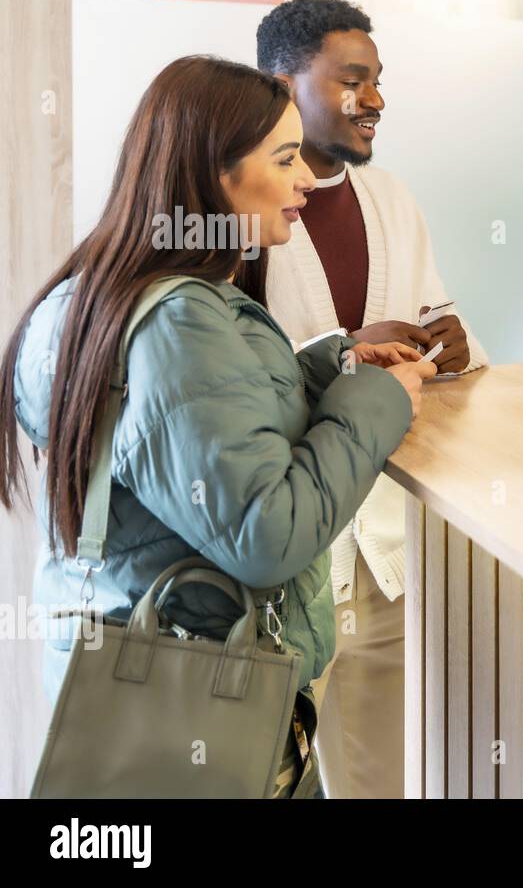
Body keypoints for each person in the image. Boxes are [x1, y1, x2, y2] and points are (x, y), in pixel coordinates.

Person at [0, 55, 438, 796]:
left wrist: (332, 364)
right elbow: (264, 531)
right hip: (210, 698)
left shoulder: (94, 296)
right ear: (216, 170)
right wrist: (379, 400)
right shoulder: (181, 319)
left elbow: (191, 432)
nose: (306, 180)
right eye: (286, 158)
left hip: (125, 683)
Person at [255, 0, 488, 798]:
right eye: (353, 80)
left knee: (377, 776)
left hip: (384, 545)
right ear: (282, 83)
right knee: (263, 771)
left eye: (380, 80)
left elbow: (431, 326)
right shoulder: (234, 216)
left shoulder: (389, 198)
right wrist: (347, 355)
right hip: (282, 558)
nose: (376, 100)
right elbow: (224, 371)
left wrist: (451, 341)